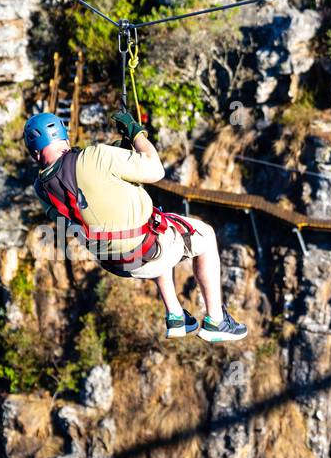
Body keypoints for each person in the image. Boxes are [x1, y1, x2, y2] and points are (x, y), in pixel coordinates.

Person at [24, 111, 248, 343]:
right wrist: (137, 134)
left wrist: (116, 157)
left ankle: (176, 316)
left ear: (36, 153)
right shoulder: (95, 156)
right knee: (204, 235)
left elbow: (81, 208)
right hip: (149, 250)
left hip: (117, 263)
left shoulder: (41, 189)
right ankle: (216, 321)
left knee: (156, 225)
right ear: (64, 137)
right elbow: (155, 170)